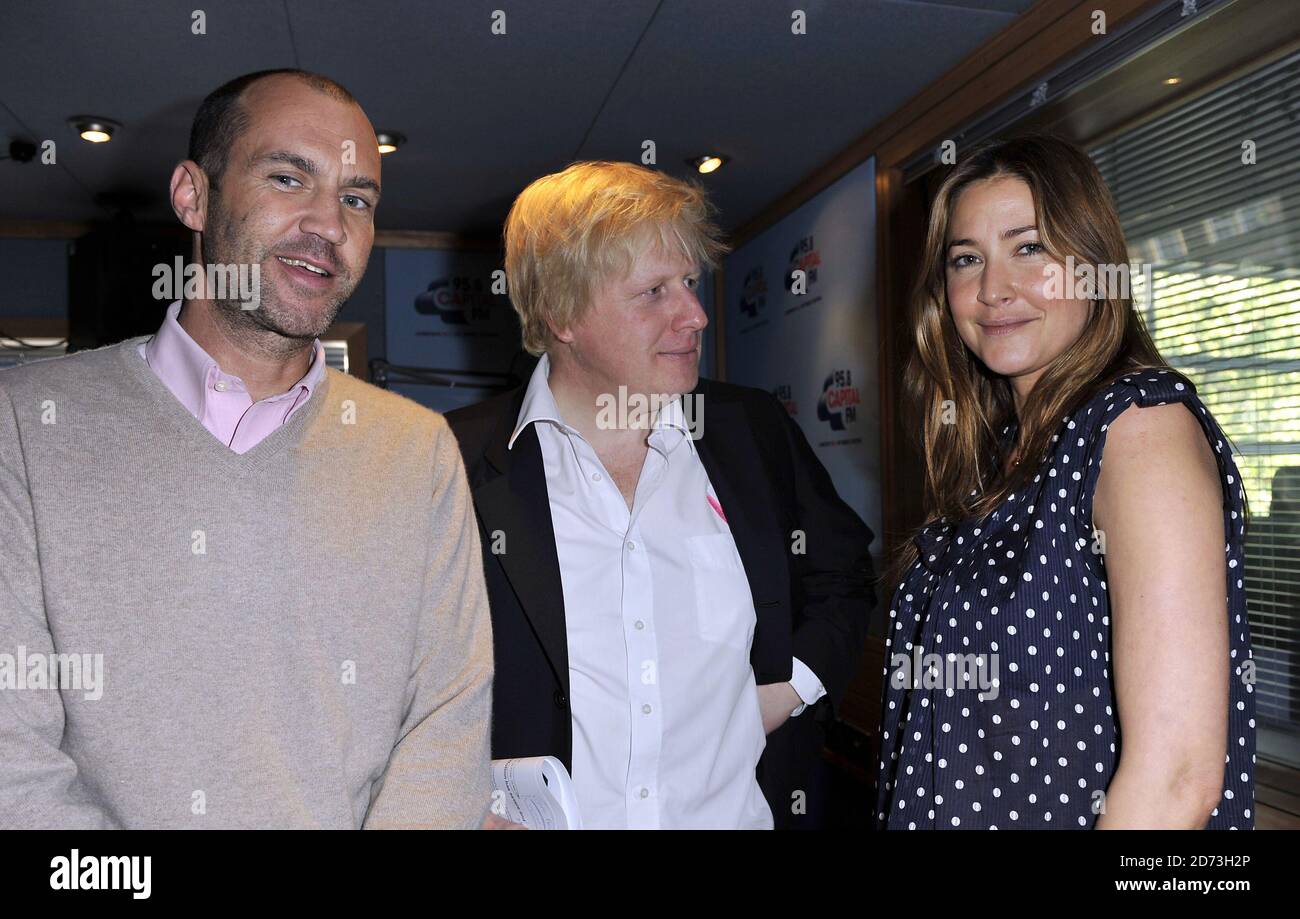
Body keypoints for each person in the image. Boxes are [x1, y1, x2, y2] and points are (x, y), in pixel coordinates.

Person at [0, 69, 493, 828]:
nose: (329, 223)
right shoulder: (26, 427)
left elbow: (446, 734)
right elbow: (14, 769)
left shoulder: (419, 452)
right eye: (290, 177)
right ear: (193, 194)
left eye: (356, 198)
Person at [447, 161, 875, 829]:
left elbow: (844, 574)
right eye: (653, 291)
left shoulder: (751, 432)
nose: (696, 314)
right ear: (562, 313)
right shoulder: (453, 462)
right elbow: (394, 677)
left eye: (690, 283)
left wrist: (786, 690)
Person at [875, 133, 1255, 829]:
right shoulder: (1007, 453)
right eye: (967, 259)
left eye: (1029, 248)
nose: (993, 289)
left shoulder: (1138, 427)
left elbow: (1177, 777)